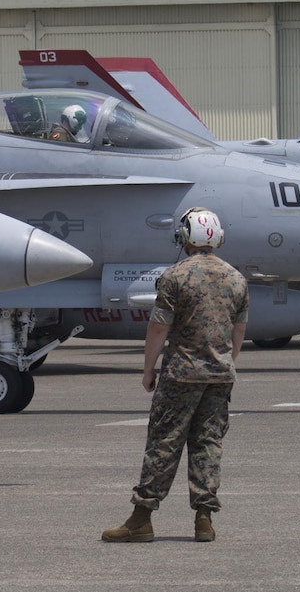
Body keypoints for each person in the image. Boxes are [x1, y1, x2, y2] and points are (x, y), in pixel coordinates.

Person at [103, 207, 248, 545]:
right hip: (220, 374)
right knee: (208, 443)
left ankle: (141, 519)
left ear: (184, 237)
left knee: (165, 442)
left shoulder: (174, 277)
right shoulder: (236, 279)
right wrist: (225, 362)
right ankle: (204, 519)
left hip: (181, 374)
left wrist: (148, 368)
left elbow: (158, 327)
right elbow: (238, 332)